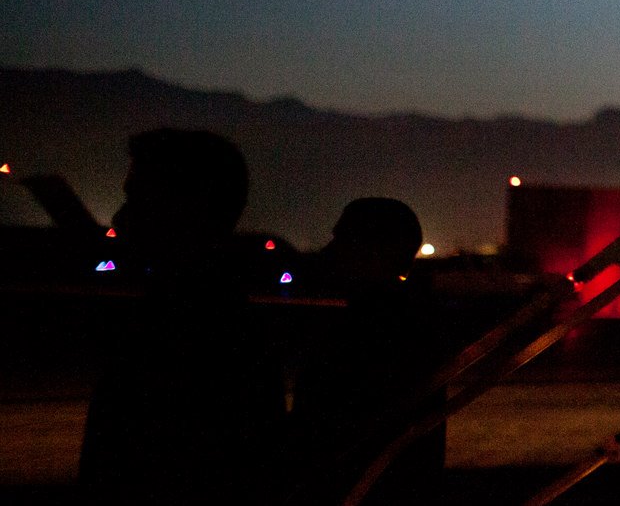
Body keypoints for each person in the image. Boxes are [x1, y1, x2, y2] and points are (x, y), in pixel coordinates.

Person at [78, 129, 286, 505]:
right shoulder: (217, 320)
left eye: (138, 199)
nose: (120, 218)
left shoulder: (194, 333)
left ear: (188, 206)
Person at [292, 197, 444, 504]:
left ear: (376, 250)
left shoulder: (371, 329)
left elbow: (319, 431)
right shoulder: (410, 319)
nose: (328, 251)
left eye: (342, 239)